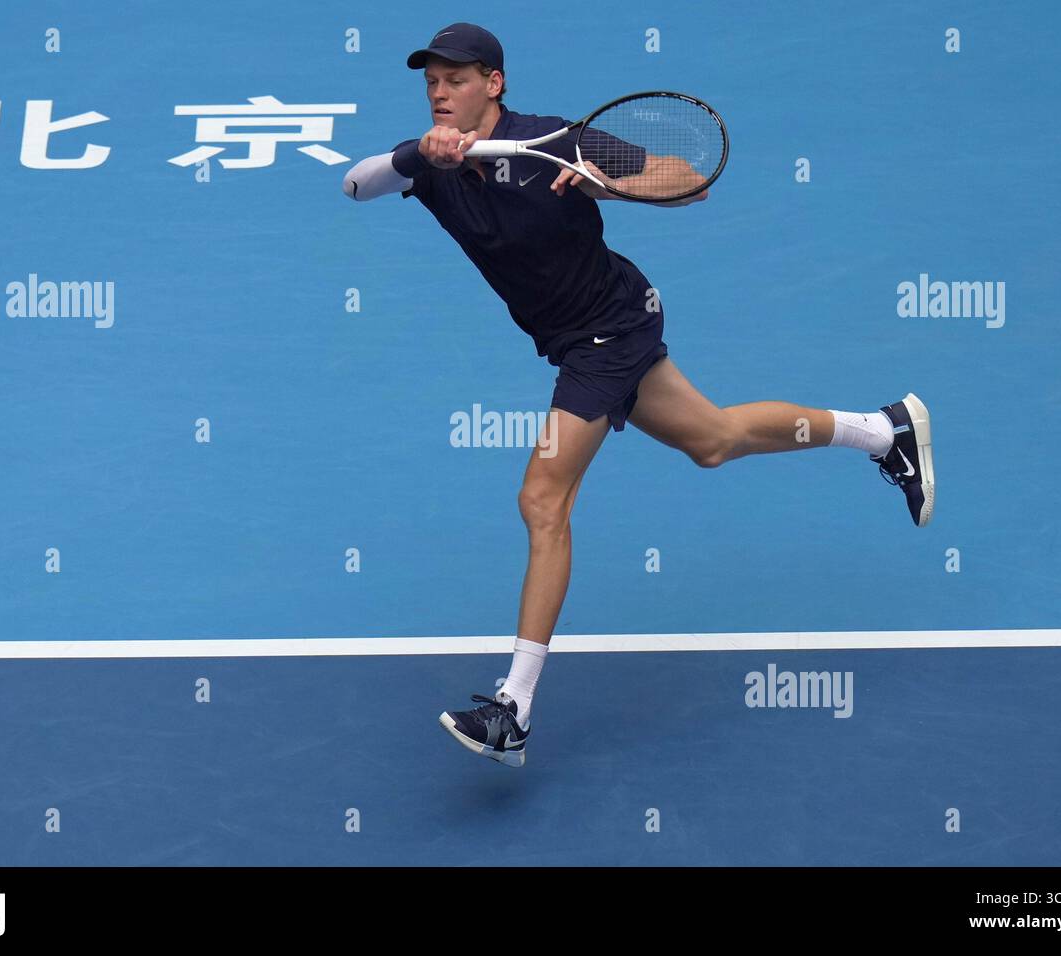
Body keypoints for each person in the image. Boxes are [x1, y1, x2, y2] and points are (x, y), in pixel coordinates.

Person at [342, 23, 935, 768]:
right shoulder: (434, 161)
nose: (438, 91)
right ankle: (883, 432)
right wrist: (412, 155)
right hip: (580, 336)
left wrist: (610, 182)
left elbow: (688, 177)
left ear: (493, 83)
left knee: (542, 497)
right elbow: (356, 184)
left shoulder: (557, 141)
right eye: (430, 80)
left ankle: (514, 709)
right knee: (714, 441)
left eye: (455, 79)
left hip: (606, 333)